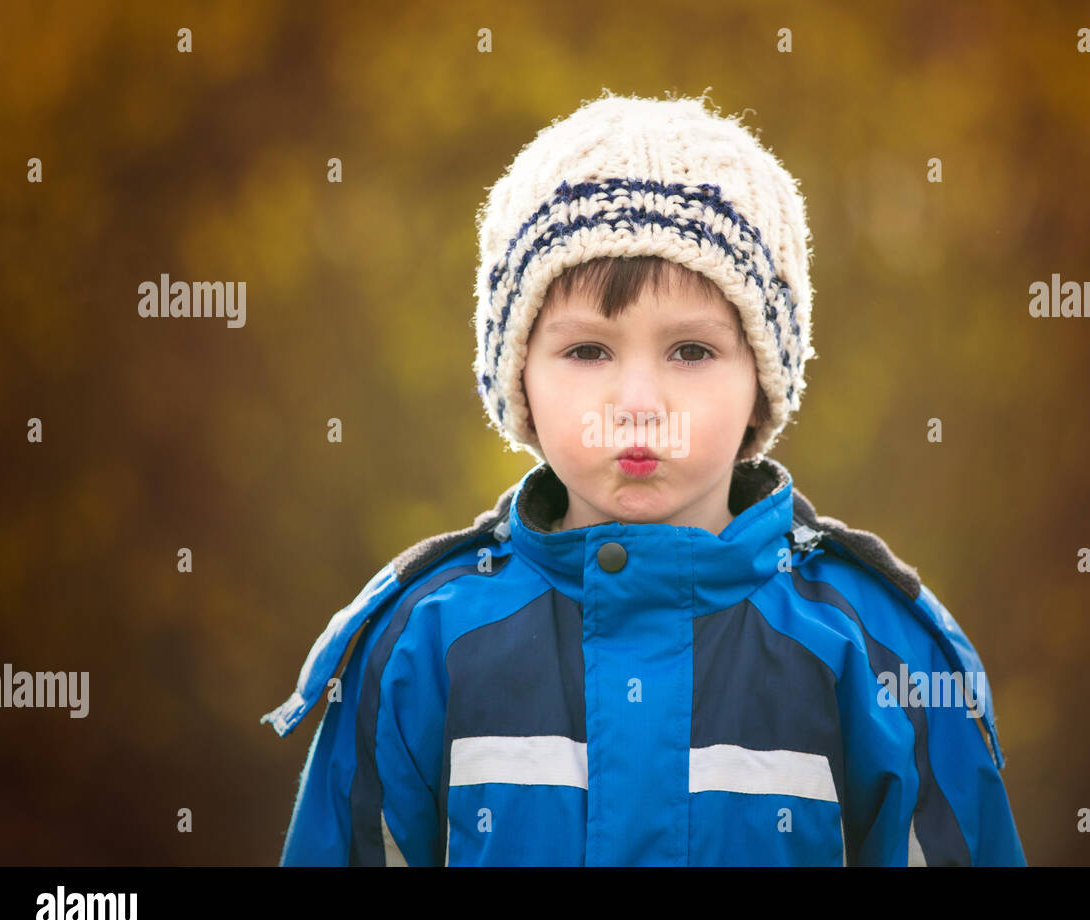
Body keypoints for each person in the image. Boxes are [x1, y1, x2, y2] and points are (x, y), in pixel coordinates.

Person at [260, 90, 1026, 866]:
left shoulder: (883, 654)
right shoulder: (418, 647)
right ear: (518, 375)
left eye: (691, 352)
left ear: (761, 377)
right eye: (588, 351)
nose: (637, 405)